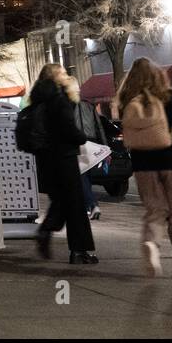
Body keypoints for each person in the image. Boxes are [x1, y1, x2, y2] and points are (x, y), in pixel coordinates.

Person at [118, 58, 172, 281]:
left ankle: (152, 242)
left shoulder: (126, 101)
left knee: (155, 210)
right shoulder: (169, 97)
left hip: (143, 165)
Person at [30, 63, 98, 264]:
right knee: (75, 205)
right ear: (55, 77)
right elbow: (68, 128)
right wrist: (81, 138)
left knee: (62, 200)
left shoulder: (38, 97)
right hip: (65, 157)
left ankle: (48, 231)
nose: (67, 76)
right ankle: (78, 250)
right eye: (63, 73)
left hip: (45, 158)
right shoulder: (58, 99)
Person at [66, 75, 107, 220]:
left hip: (78, 143)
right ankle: (89, 206)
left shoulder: (68, 105)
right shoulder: (88, 105)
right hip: (91, 143)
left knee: (80, 176)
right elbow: (99, 126)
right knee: (86, 177)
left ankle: (91, 204)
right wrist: (105, 147)